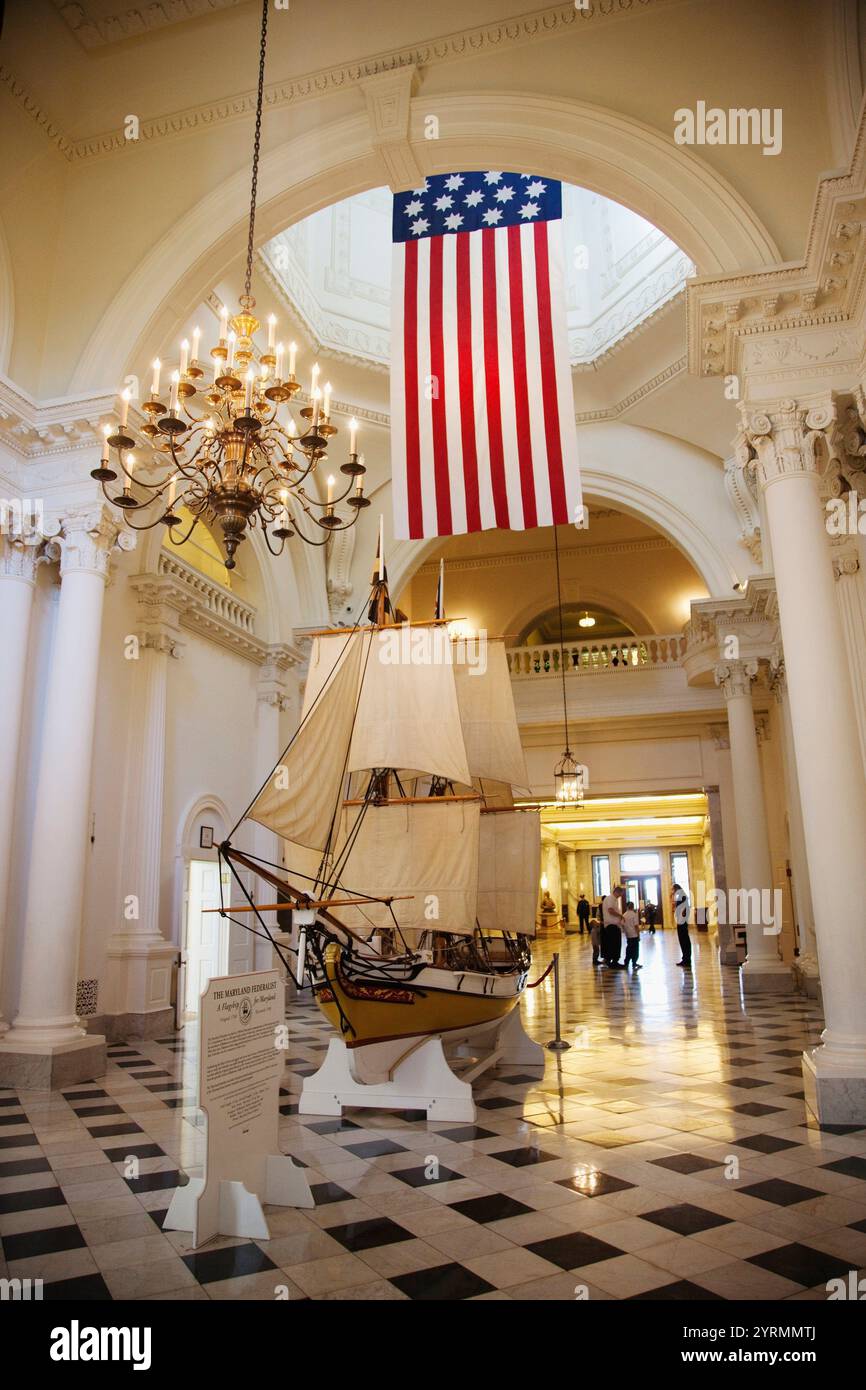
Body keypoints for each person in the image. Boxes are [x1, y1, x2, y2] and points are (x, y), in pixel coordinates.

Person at [601, 884, 625, 967]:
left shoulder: (612, 899)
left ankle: (610, 960)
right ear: (617, 892)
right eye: (620, 894)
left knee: (612, 943)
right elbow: (610, 910)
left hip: (613, 925)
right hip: (612, 925)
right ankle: (614, 962)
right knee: (615, 944)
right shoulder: (611, 898)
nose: (620, 897)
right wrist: (620, 916)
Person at [672, 882, 692, 967]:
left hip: (682, 921)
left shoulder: (681, 895)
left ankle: (686, 959)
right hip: (682, 920)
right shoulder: (681, 895)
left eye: (673, 889)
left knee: (684, 940)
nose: (672, 891)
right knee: (684, 940)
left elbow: (684, 908)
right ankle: (685, 958)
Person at [622, 900, 641, 970]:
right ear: (633, 907)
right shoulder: (634, 914)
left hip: (628, 935)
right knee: (635, 950)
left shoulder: (624, 915)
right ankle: (634, 963)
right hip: (634, 934)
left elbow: (622, 925)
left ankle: (626, 962)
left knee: (629, 948)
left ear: (627, 907)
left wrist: (625, 931)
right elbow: (636, 926)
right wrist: (638, 935)